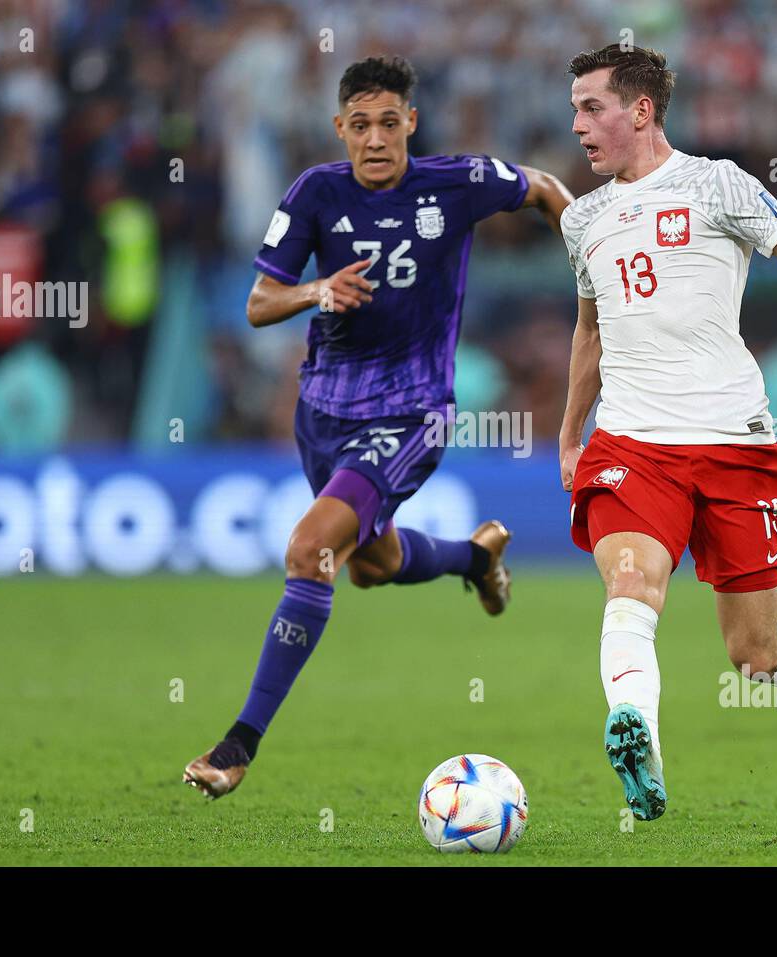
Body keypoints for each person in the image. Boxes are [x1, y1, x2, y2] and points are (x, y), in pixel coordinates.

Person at [184, 55, 574, 799]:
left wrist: (589, 261)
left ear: (410, 124)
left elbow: (546, 190)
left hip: (411, 414)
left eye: (388, 123)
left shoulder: (456, 183)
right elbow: (260, 303)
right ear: (340, 129)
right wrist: (316, 290)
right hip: (323, 416)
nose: (374, 139)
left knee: (309, 551)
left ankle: (238, 745)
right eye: (359, 125)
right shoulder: (313, 193)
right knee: (366, 562)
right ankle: (474, 559)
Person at [557, 44, 777, 820]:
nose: (578, 125)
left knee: (751, 653)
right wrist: (570, 434)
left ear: (641, 111)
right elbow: (588, 336)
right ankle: (640, 735)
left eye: (591, 108)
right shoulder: (582, 218)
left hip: (733, 442)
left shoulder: (718, 184)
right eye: (574, 110)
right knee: (631, 585)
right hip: (631, 444)